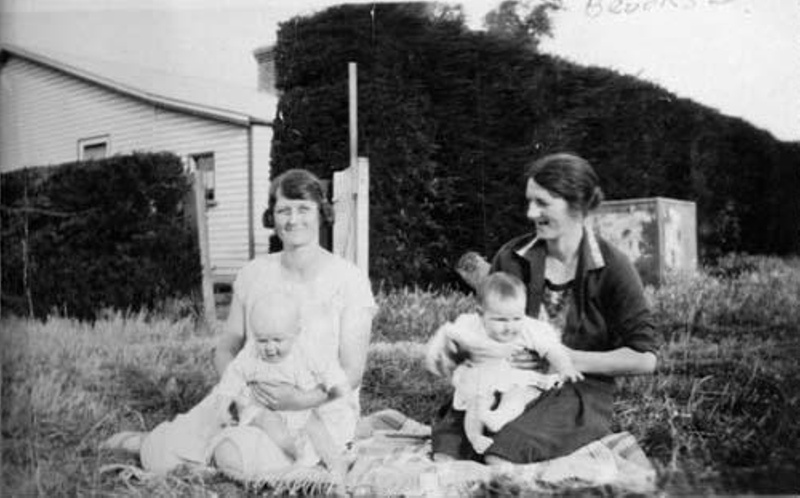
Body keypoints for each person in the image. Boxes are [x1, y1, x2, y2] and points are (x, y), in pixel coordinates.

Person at [101, 168, 376, 474]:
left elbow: (351, 373)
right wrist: (244, 395)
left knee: (233, 455)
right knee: (161, 455)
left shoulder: (349, 280)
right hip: (252, 399)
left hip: (320, 409)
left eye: (303, 209)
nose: (293, 219)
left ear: (321, 213)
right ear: (272, 217)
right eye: (283, 210)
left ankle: (216, 451)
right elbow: (226, 349)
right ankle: (160, 442)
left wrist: (298, 400)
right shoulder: (254, 274)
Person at [428, 152, 658, 465]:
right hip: (500, 378)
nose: (530, 212)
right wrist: (458, 352)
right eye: (529, 202)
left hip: (575, 389)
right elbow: (486, 324)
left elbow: (645, 358)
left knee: (505, 448)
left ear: (576, 205)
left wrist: (564, 359)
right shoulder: (512, 257)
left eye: (542, 203)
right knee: (450, 445)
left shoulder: (613, 267)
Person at [425, 271, 583, 455]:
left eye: (516, 318)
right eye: (500, 320)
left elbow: (552, 349)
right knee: (476, 404)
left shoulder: (528, 329)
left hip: (516, 379)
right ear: (480, 313)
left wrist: (565, 367)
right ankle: (475, 437)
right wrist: (447, 353)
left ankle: (498, 418)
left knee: (516, 396)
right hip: (483, 380)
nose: (510, 327)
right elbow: (447, 335)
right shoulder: (470, 325)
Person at [214, 290, 350, 476]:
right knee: (269, 422)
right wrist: (223, 405)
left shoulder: (305, 351)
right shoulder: (251, 355)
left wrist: (335, 383)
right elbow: (233, 375)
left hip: (299, 408)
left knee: (315, 424)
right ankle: (300, 456)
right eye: (262, 340)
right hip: (263, 408)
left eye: (278, 340)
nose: (270, 348)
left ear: (296, 332)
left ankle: (335, 462)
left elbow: (328, 369)